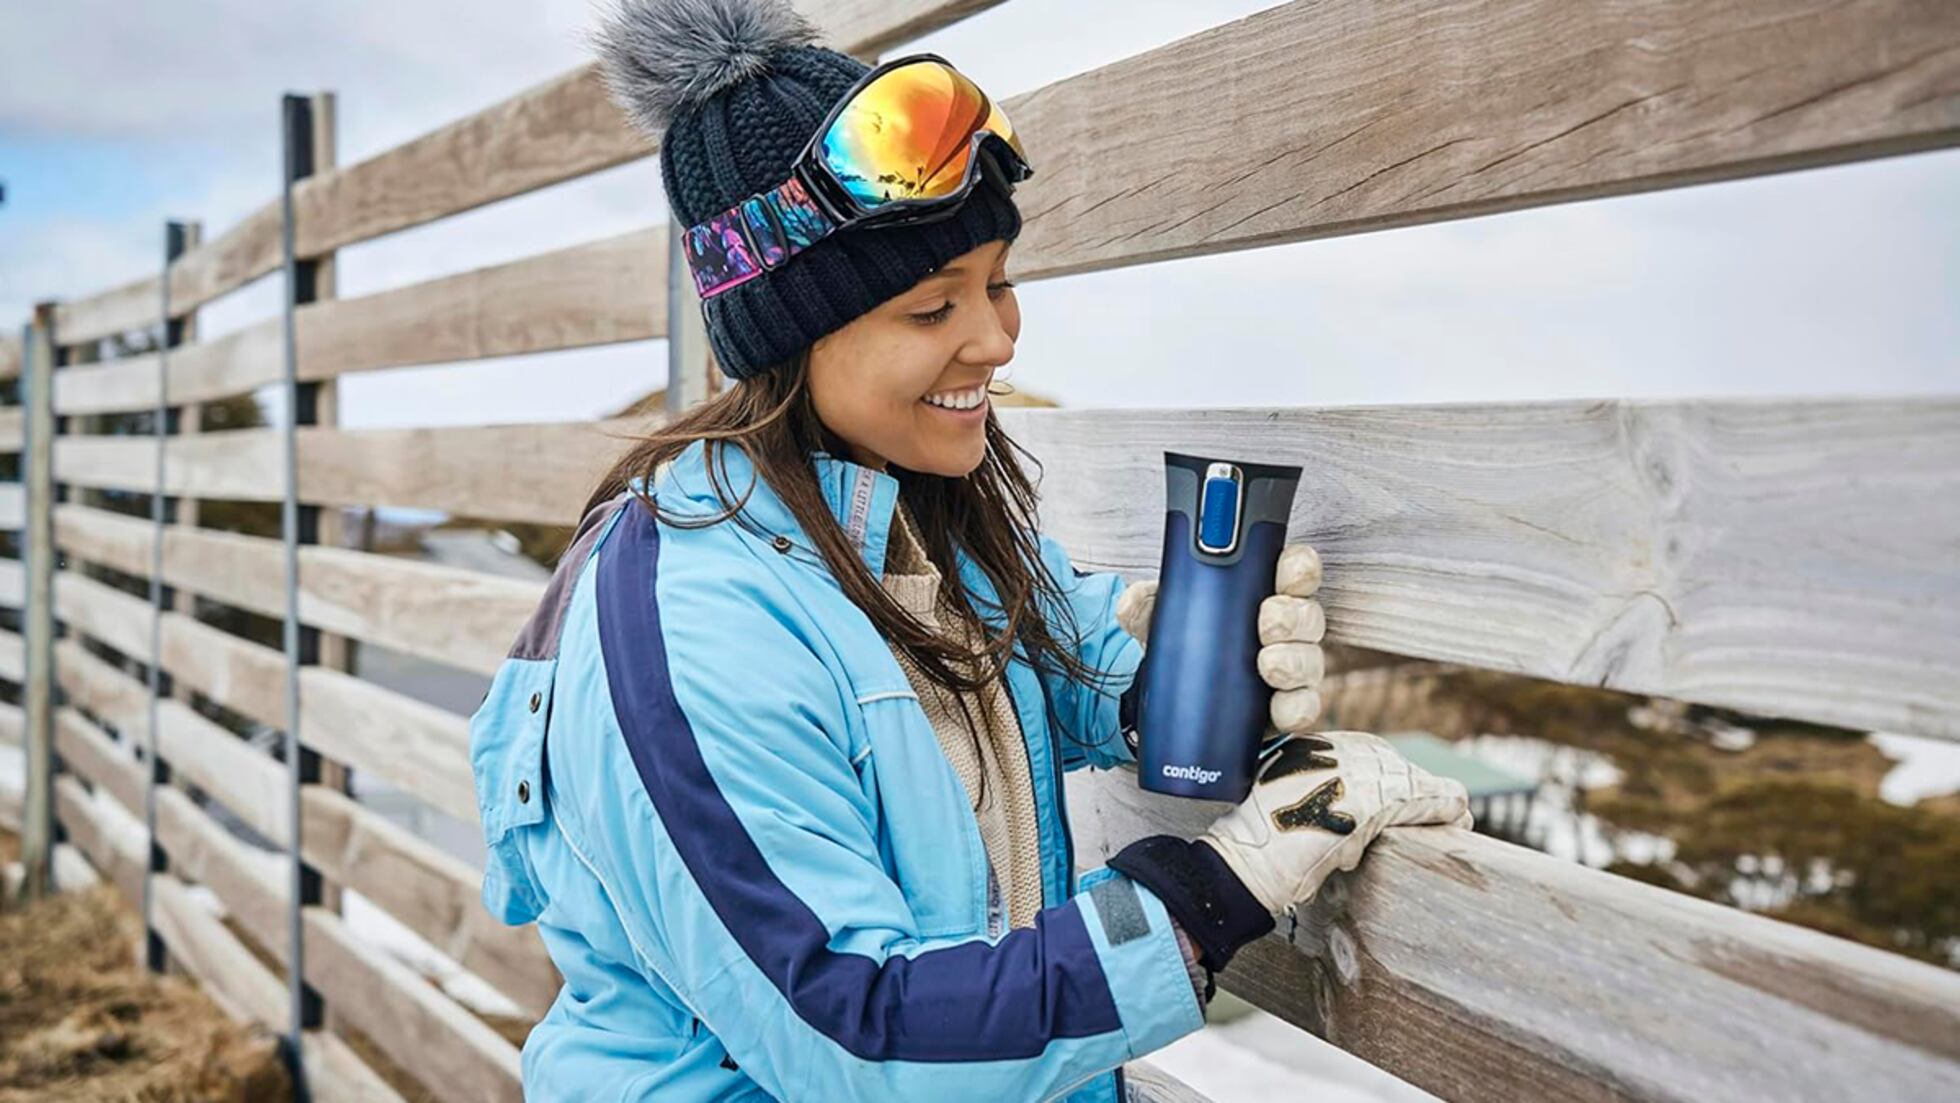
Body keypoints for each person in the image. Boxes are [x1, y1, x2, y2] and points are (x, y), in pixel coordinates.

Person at [466, 2, 1472, 1100]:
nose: (994, 336)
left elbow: (1041, 657)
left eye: (997, 280)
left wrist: (1173, 677)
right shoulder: (698, 625)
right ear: (789, 335)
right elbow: (864, 1038)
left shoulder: (904, 512)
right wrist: (1223, 881)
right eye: (931, 305)